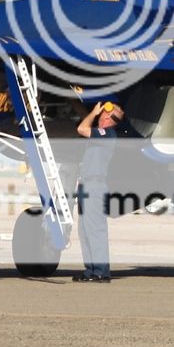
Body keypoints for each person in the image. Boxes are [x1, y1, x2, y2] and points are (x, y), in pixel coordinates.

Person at [72, 101, 123, 282]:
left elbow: (81, 128)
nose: (100, 114)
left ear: (108, 117)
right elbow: (84, 118)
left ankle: (101, 270)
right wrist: (72, 99)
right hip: (86, 185)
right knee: (84, 229)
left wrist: (93, 112)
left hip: (95, 186)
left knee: (95, 229)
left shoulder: (107, 134)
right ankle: (91, 270)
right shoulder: (99, 134)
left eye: (103, 112)